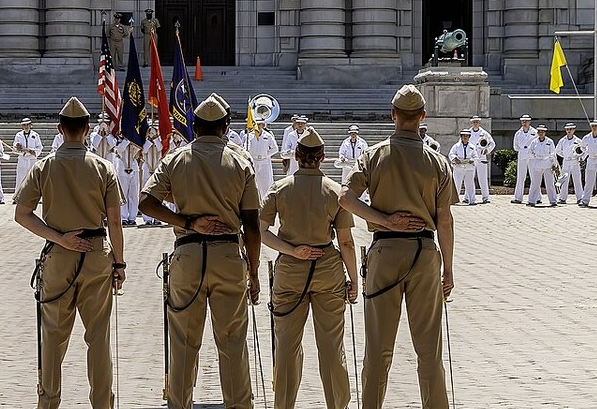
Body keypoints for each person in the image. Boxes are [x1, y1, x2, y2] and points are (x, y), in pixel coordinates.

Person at [139, 93, 262, 409]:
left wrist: (186, 221)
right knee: (233, 343)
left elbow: (146, 202)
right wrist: (254, 271)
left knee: (183, 343)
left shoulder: (176, 159)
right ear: (225, 127)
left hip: (188, 256)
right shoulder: (240, 161)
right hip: (227, 257)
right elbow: (252, 224)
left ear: (194, 127)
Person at [340, 84, 455, 409]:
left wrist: (384, 220)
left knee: (378, 348)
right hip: (424, 254)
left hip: (385, 252)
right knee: (429, 349)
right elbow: (444, 221)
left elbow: (345, 198)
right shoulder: (437, 161)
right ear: (422, 117)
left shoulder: (372, 155)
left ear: (393, 116)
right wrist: (448, 268)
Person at [14, 97, 125, 409]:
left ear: (60, 129)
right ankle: (102, 403)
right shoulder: (103, 167)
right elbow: (115, 221)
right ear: (87, 130)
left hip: (59, 256)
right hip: (96, 254)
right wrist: (119, 263)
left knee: (52, 338)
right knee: (98, 339)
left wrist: (58, 238)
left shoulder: (44, 166)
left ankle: (48, 403)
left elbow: (22, 214)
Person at [261, 127, 357, 409]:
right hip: (327, 268)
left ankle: (283, 405)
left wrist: (293, 250)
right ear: (323, 158)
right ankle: (337, 405)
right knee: (331, 348)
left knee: (287, 348)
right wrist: (354, 280)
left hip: (290, 269)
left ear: (297, 156)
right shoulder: (336, 192)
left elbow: (262, 231)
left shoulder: (279, 189)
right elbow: (347, 242)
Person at [526, 126, 558, 208]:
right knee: (535, 183)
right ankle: (531, 200)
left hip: (547, 163)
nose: (541, 133)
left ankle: (553, 200)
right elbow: (530, 152)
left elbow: (553, 153)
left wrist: (554, 164)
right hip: (537, 162)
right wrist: (535, 158)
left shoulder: (549, 141)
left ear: (545, 132)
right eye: (539, 132)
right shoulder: (534, 142)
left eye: (542, 132)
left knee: (550, 183)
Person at [247, 120, 280, 200]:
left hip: (264, 161)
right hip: (253, 161)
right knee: (253, 183)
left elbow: (275, 149)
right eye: (257, 124)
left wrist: (265, 154)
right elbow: (246, 148)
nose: (258, 126)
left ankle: (265, 202)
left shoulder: (268, 135)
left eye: (260, 124)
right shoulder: (249, 136)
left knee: (266, 183)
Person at [465, 116, 493, 203]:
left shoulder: (484, 133)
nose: (475, 123)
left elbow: (492, 143)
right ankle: (467, 197)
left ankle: (485, 197)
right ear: (472, 123)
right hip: (471, 159)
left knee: (483, 178)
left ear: (479, 123)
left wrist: (487, 150)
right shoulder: (467, 132)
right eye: (474, 122)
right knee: (469, 178)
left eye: (477, 122)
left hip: (481, 158)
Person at [555, 123, 584, 204]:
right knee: (564, 180)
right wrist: (565, 155)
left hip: (575, 161)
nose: (569, 131)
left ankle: (580, 197)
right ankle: (562, 198)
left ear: (574, 130)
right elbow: (557, 150)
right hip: (566, 161)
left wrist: (581, 157)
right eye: (567, 129)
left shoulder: (578, 141)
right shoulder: (562, 140)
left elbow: (584, 151)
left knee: (577, 180)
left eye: (570, 129)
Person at [116, 137, 143, 227]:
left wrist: (133, 139)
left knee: (134, 194)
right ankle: (123, 217)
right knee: (123, 193)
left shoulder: (134, 139)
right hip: (122, 166)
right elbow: (119, 149)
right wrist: (127, 139)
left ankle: (132, 217)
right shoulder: (118, 139)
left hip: (133, 166)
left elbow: (139, 149)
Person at [510, 115, 536, 204]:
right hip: (522, 154)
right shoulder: (518, 133)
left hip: (532, 155)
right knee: (521, 177)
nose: (524, 123)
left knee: (534, 176)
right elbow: (515, 146)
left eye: (526, 121)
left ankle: (537, 197)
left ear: (530, 122)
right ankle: (518, 197)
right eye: (523, 121)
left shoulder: (535, 132)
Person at [448, 131, 477, 206]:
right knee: (456, 184)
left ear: (469, 137)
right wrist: (455, 158)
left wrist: (472, 160)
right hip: (458, 167)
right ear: (461, 137)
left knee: (470, 184)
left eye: (467, 136)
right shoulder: (456, 146)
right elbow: (451, 154)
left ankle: (472, 200)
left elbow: (476, 157)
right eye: (464, 136)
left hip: (469, 168)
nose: (465, 137)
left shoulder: (472, 147)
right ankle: (454, 200)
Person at [14, 118, 43, 192]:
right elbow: (14, 147)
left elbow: (39, 147)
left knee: (33, 178)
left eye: (27, 124)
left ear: (30, 125)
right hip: (22, 159)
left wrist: (33, 152)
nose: (26, 126)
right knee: (20, 178)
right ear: (22, 126)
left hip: (32, 159)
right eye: (24, 125)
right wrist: (18, 147)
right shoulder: (18, 135)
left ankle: (33, 195)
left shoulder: (35, 135)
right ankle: (18, 196)